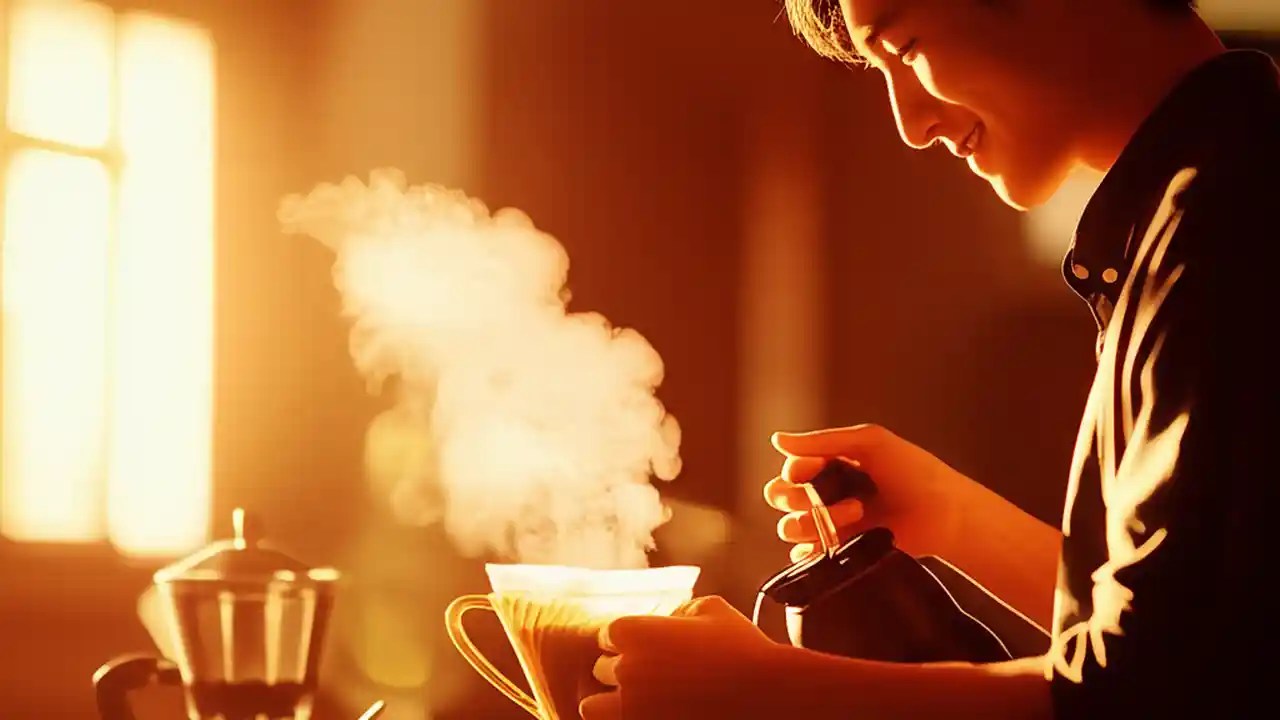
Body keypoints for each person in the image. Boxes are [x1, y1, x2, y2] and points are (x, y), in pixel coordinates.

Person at [578, 0, 1280, 718]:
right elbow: (1203, 636)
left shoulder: (1228, 229)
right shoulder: (1197, 211)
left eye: (905, 48)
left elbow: (1154, 701)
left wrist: (761, 692)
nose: (911, 126)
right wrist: (960, 522)